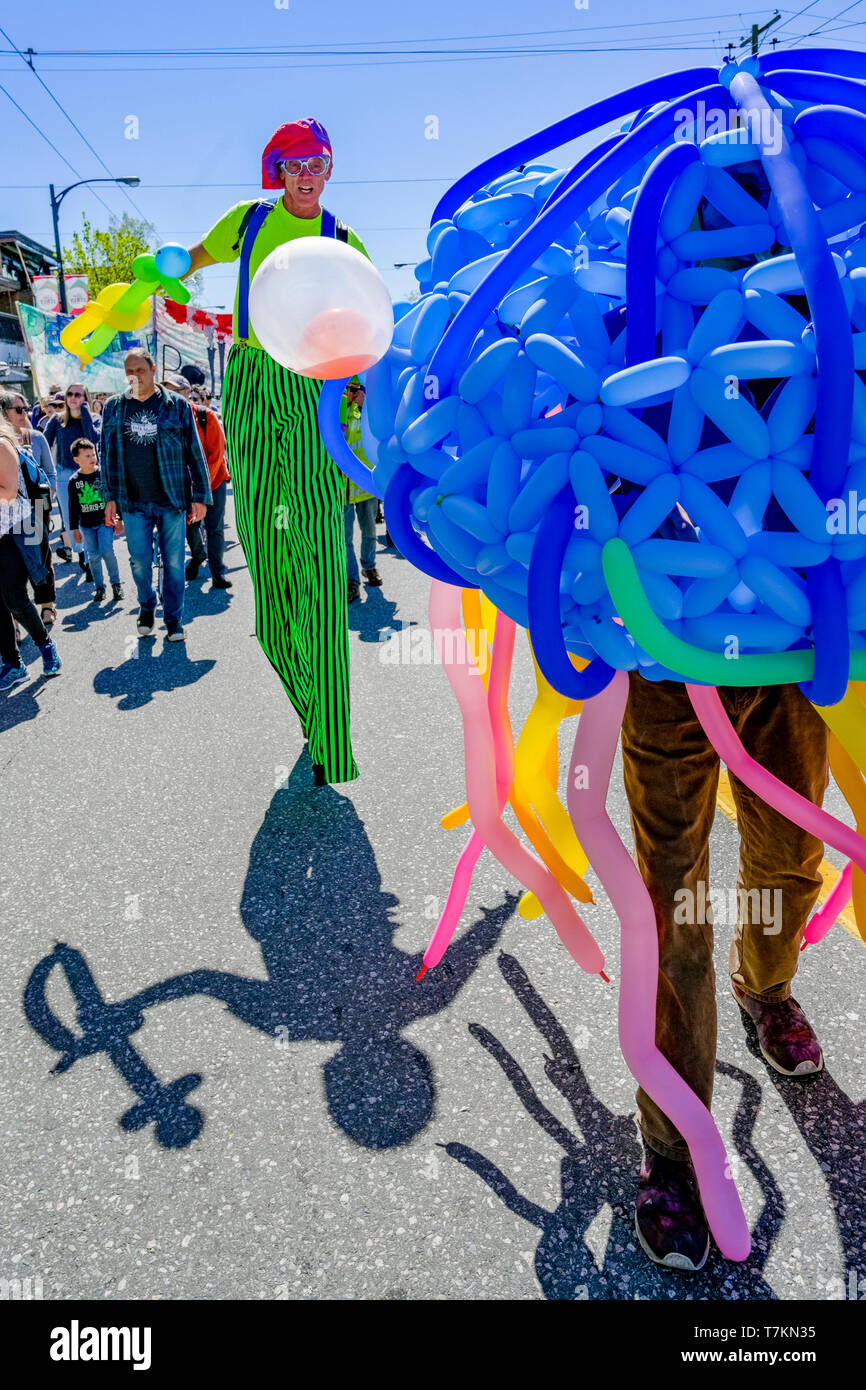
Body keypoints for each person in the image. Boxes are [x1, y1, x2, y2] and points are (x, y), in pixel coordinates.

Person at [622, 163, 828, 1273]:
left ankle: (772, 988)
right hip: (669, 660)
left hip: (791, 648)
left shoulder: (819, 321)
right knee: (670, 905)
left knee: (787, 854)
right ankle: (668, 1149)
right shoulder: (636, 332)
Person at [182, 117, 371, 786]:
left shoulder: (343, 239)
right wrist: (163, 272)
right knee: (265, 555)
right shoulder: (250, 220)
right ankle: (307, 705)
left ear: (328, 167)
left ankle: (330, 741)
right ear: (277, 169)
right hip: (253, 375)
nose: (307, 173)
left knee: (318, 552)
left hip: (313, 381)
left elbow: (368, 320)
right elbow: (194, 259)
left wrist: (359, 387)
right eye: (295, 162)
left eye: (318, 160)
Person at [101, 348, 211, 642]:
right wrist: (109, 496)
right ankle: (147, 605)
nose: (134, 376)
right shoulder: (114, 407)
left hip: (171, 499)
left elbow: (194, 453)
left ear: (153, 369)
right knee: (139, 561)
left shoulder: (176, 405)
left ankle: (173, 619)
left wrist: (200, 496)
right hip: (132, 500)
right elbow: (107, 455)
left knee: (174, 562)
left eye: (140, 370)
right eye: (129, 371)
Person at [0, 413, 61, 686]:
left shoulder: (2, 443)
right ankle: (13, 663)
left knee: (14, 598)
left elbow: (10, 491)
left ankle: (45, 646)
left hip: (13, 531)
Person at [0, 389, 57, 628]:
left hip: (35, 508)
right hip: (8, 514)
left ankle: (46, 604)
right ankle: (15, 618)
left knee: (39, 558)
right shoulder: (3, 442)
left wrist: (45, 505)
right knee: (11, 569)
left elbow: (50, 473)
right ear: (3, 414)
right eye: (19, 409)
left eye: (25, 408)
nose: (25, 413)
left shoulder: (36, 437)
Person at [42, 382, 98, 571]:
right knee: (69, 518)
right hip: (64, 474)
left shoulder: (92, 419)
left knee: (89, 516)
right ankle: (81, 552)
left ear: (85, 399)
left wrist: (85, 414)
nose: (73, 397)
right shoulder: (57, 420)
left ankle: (89, 557)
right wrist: (47, 471)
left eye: (78, 395)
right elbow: (45, 443)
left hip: (89, 475)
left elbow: (94, 439)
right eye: (70, 394)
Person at [186, 385, 231, 589]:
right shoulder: (175, 418)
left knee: (214, 528)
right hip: (188, 485)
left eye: (195, 397)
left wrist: (201, 488)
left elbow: (216, 455)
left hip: (214, 481)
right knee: (190, 526)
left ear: (204, 400)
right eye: (189, 397)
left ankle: (217, 572)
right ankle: (197, 556)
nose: (191, 400)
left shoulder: (208, 417)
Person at [68, 438, 123, 604]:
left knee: (107, 551)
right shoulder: (74, 481)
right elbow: (73, 507)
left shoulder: (102, 474)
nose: (93, 458)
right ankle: (99, 587)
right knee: (93, 556)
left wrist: (118, 518)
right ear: (76, 460)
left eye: (93, 454)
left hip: (104, 522)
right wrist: (74, 529)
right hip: (86, 525)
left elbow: (114, 498)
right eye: (87, 456)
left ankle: (116, 584)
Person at [341, 379, 380, 603]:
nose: (349, 394)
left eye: (354, 389)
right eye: (346, 390)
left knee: (369, 534)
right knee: (346, 538)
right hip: (343, 490)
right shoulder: (337, 412)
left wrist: (364, 407)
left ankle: (369, 567)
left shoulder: (367, 412)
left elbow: (377, 433)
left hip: (365, 487)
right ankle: (351, 581)